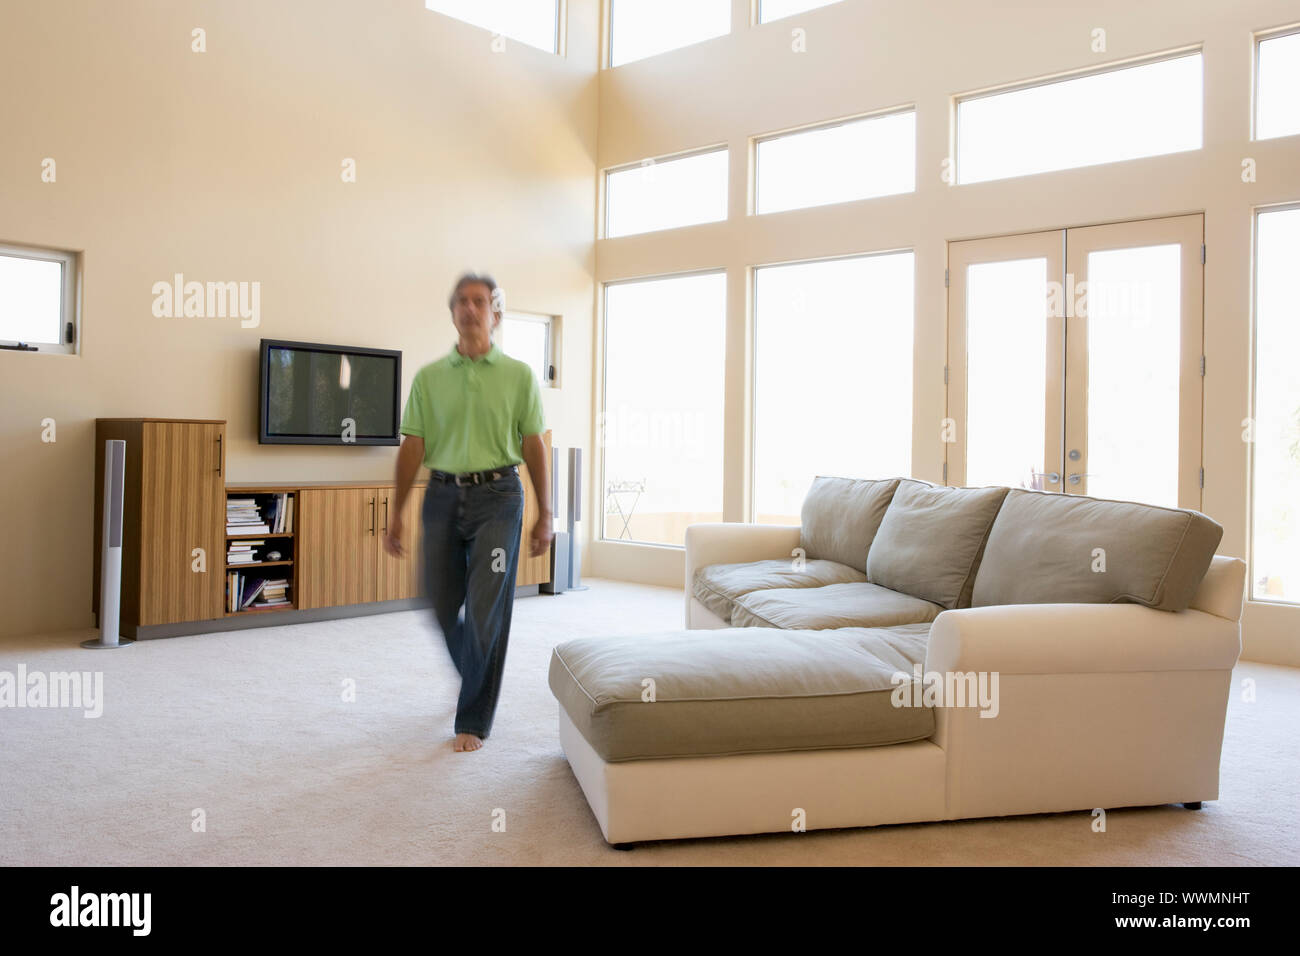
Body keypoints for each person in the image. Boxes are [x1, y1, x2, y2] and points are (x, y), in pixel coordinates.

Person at [383, 272, 552, 752]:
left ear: (495, 314)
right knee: (436, 600)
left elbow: (534, 445)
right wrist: (395, 513)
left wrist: (547, 512)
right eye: (461, 301)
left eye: (479, 301)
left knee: (484, 610)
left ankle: (472, 718)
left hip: (499, 497)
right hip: (440, 497)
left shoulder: (518, 376)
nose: (470, 308)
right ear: (453, 312)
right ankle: (475, 673)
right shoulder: (429, 377)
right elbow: (412, 446)